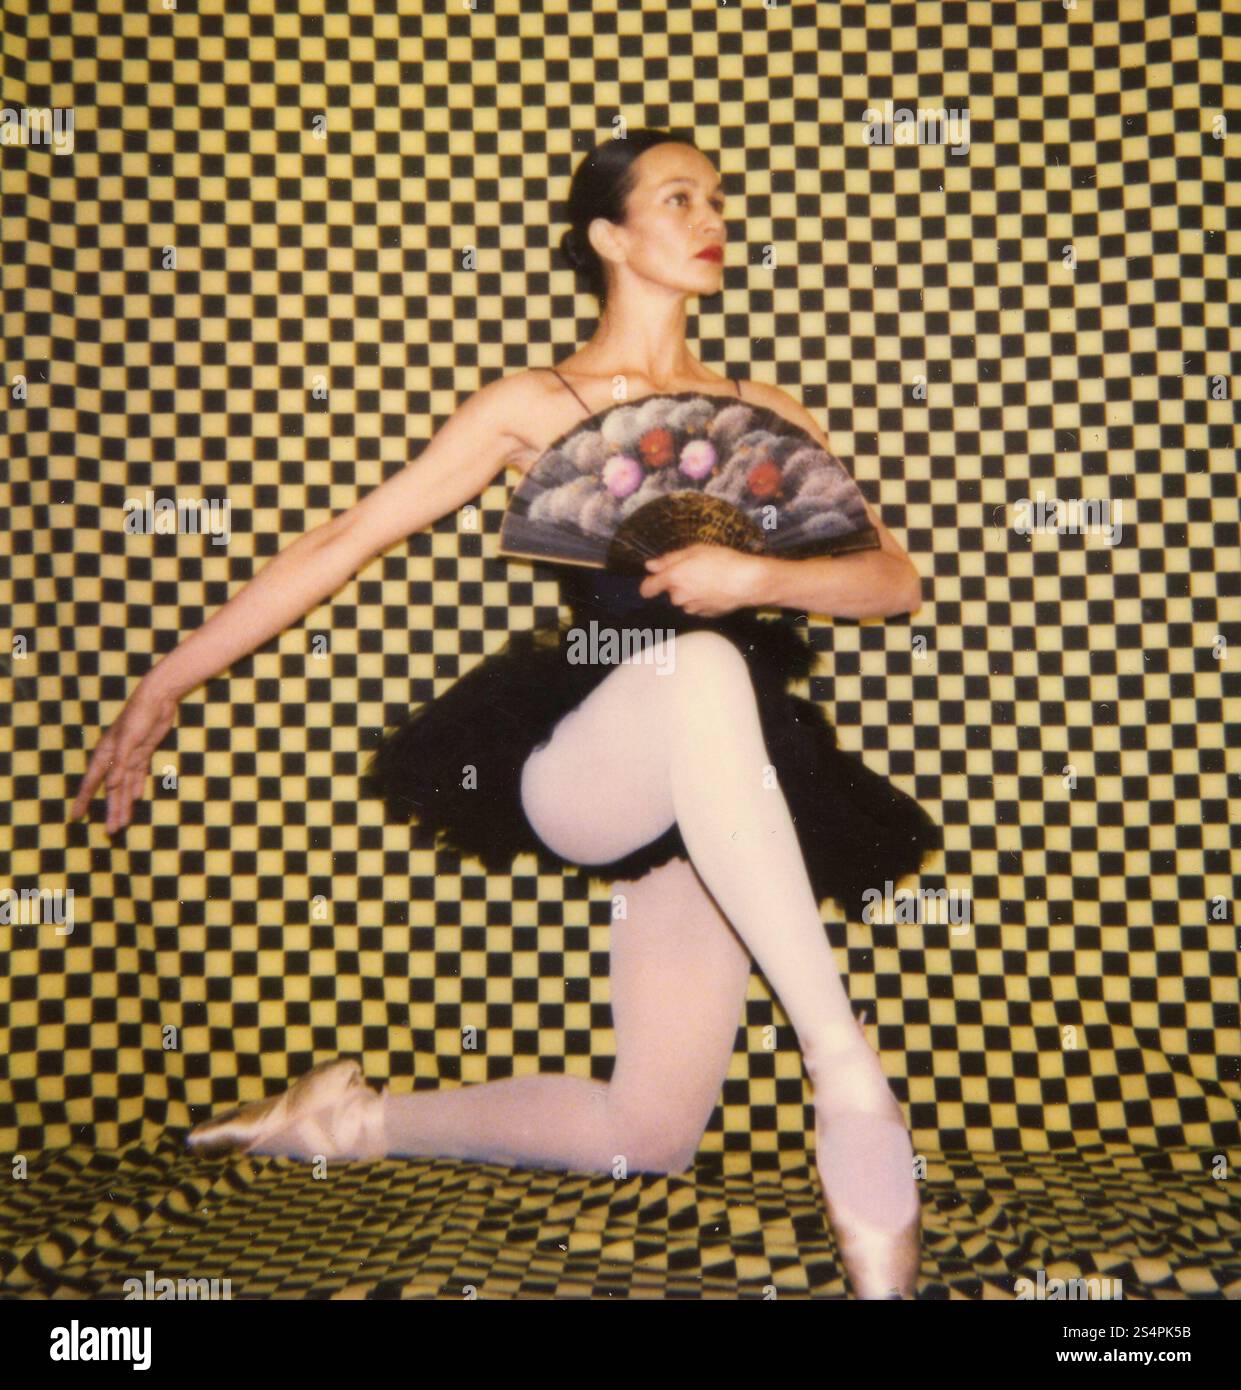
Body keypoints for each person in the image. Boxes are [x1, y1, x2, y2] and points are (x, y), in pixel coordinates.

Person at [69, 129, 940, 1299]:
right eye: (677, 198)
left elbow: (894, 582)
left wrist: (755, 579)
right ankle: (846, 1073)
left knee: (648, 1134)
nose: (708, 216)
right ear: (608, 237)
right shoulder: (538, 403)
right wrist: (160, 683)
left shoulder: (762, 409)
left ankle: (350, 1122)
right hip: (585, 752)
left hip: (727, 775)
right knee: (699, 673)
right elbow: (343, 541)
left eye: (716, 199)